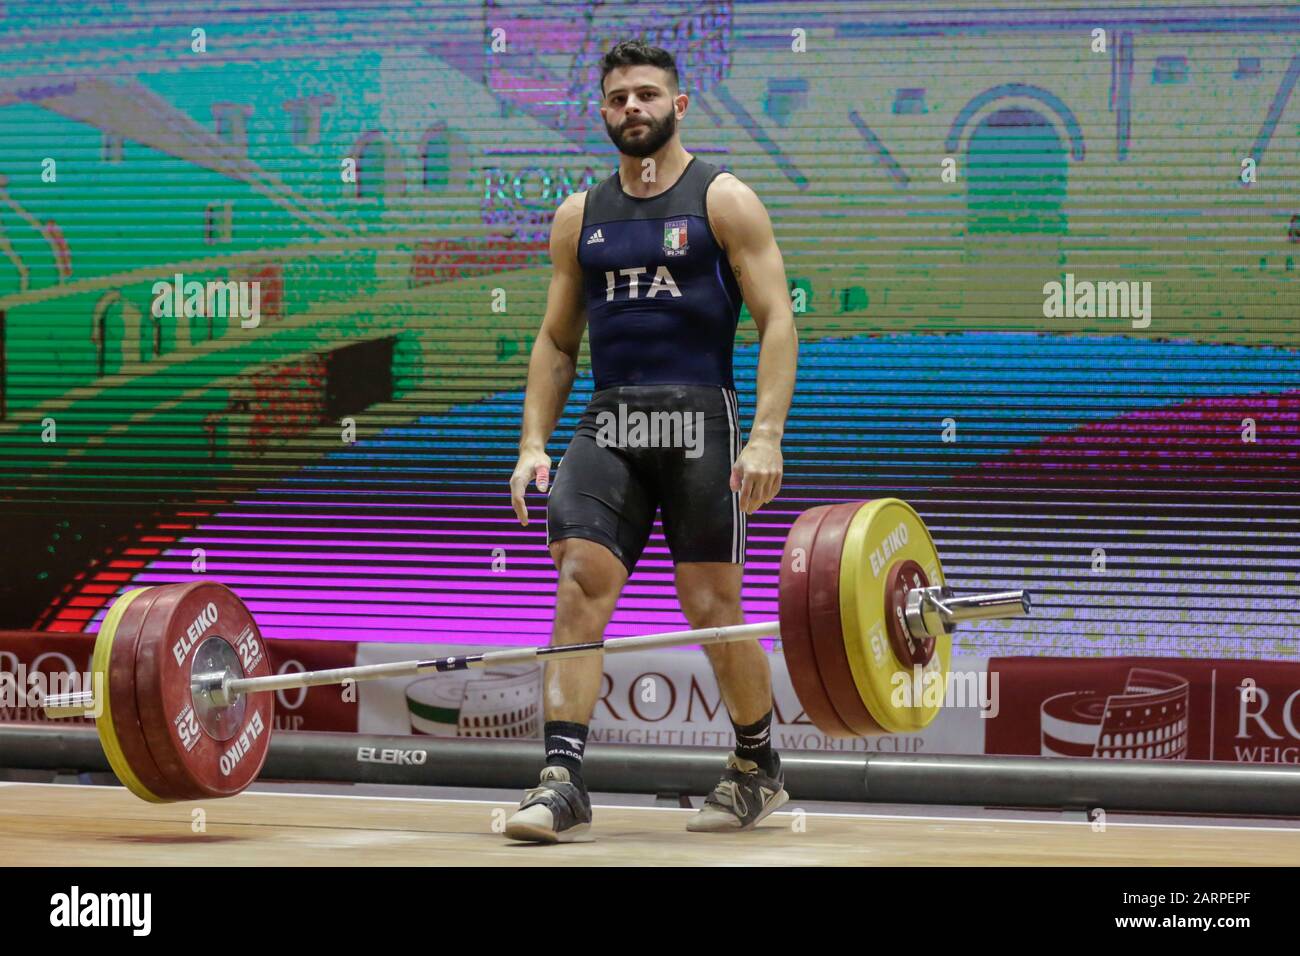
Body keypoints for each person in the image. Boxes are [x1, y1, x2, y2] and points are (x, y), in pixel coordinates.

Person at [506, 39, 798, 843]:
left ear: (679, 105)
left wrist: (765, 437)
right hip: (613, 419)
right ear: (602, 113)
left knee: (710, 605)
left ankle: (755, 763)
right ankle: (562, 780)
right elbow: (558, 342)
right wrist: (534, 443)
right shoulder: (581, 217)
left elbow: (778, 321)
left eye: (646, 95)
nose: (632, 108)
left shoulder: (725, 199)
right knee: (581, 576)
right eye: (617, 99)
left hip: (701, 418)